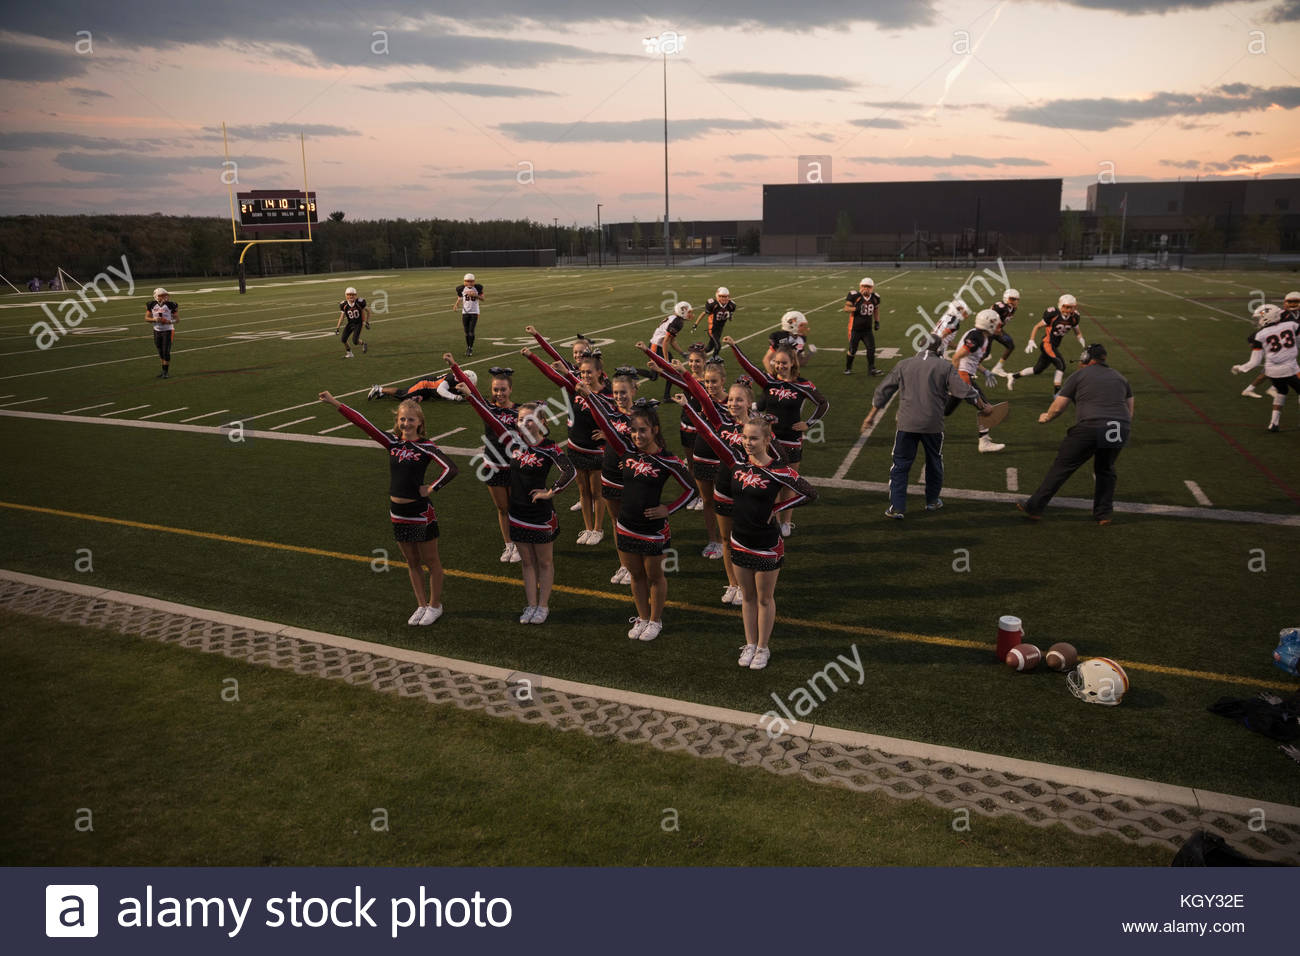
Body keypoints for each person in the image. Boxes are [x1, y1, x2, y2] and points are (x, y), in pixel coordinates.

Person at [677, 396, 817, 669]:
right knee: (748, 597)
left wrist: (780, 507)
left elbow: (810, 493)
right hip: (739, 541)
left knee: (764, 599)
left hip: (766, 544)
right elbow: (708, 433)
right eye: (745, 437)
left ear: (767, 440)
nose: (748, 442)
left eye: (754, 438)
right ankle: (750, 643)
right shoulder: (736, 464)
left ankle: (763, 647)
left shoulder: (779, 471)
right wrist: (688, 407)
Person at [447, 353, 576, 624]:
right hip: (517, 514)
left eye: (530, 420)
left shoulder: (550, 448)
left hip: (540, 515)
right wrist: (467, 391)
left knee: (545, 563)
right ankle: (530, 605)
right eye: (521, 420)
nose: (524, 424)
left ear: (541, 422)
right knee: (527, 563)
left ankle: (543, 606)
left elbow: (570, 470)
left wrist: (551, 492)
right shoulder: (514, 444)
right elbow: (487, 414)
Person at [316, 390, 459, 625]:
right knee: (411, 562)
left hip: (421, 512)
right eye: (402, 419)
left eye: (411, 419)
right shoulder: (392, 442)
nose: (406, 423)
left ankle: (435, 605)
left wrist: (432, 488)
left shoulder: (426, 446)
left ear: (420, 422)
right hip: (398, 513)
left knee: (431, 561)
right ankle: (421, 604)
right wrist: (335, 403)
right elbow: (364, 423)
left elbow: (451, 469)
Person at [578, 381, 696, 642]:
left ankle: (655, 620)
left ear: (654, 430)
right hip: (626, 526)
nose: (637, 435)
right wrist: (589, 397)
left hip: (653, 531)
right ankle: (642, 617)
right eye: (633, 431)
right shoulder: (625, 450)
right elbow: (607, 423)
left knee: (655, 577)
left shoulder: (668, 460)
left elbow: (691, 489)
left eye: (643, 431)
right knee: (635, 576)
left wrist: (668, 509)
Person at [863, 335, 990, 518]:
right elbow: (963, 391)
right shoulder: (945, 366)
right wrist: (983, 406)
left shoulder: (904, 364)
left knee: (900, 466)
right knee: (934, 462)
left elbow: (883, 391)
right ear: (939, 350)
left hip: (907, 423)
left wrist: (870, 417)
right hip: (933, 424)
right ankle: (932, 501)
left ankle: (897, 507)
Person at [1017, 344, 1133, 524]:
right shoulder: (1121, 378)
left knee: (1062, 466)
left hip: (1091, 426)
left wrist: (1046, 417)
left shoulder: (1079, 375)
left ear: (1087, 358)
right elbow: (1129, 411)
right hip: (1119, 427)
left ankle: (1035, 507)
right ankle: (1104, 514)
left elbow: (1059, 406)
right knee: (1105, 469)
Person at [727, 335, 829, 537]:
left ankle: (786, 522)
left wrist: (808, 423)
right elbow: (749, 367)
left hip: (791, 440)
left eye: (784, 363)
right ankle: (770, 516)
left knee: (788, 483)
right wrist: (734, 346)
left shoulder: (803, 385)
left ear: (793, 363)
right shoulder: (768, 381)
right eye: (777, 362)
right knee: (769, 482)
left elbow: (823, 404)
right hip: (768, 442)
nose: (780, 366)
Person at [525, 326, 613, 544]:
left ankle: (599, 529)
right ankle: (588, 528)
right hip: (576, 446)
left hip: (595, 450)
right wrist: (532, 356)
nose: (584, 376)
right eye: (582, 373)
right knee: (583, 493)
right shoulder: (576, 388)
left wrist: (606, 432)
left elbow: (618, 416)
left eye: (589, 373)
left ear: (599, 373)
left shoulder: (607, 392)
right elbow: (550, 372)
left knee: (597, 493)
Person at [474, 366, 522, 564]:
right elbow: (472, 393)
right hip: (492, 465)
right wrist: (453, 366)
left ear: (510, 389)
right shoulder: (488, 408)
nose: (499, 393)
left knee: (516, 507)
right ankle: (509, 544)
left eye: (503, 389)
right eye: (496, 390)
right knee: (502, 508)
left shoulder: (519, 410)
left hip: (512, 466)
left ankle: (520, 544)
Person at [946, 309, 1007, 453]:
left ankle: (913, 411)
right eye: (996, 323)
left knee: (945, 410)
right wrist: (954, 380)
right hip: (962, 376)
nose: (999, 326)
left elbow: (970, 359)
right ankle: (984, 442)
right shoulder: (977, 337)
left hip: (964, 375)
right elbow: (956, 357)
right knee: (986, 408)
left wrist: (984, 371)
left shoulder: (979, 335)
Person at [1231, 304, 1300, 433]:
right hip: (1291, 368)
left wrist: (1240, 368)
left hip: (1272, 372)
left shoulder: (1260, 335)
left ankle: (1273, 423)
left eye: (1259, 318)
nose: (1257, 321)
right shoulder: (1292, 325)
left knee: (1281, 392)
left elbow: (1255, 362)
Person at [1006, 293, 1087, 395]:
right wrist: (1031, 340)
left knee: (1037, 369)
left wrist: (1081, 339)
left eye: (1071, 307)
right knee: (1060, 365)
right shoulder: (1053, 314)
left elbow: (1077, 331)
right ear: (1060, 305)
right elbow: (1037, 326)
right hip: (1047, 344)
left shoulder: (1074, 317)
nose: (1068, 310)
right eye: (1066, 307)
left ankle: (1013, 376)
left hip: (1054, 345)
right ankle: (1057, 393)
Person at [843, 277, 884, 375]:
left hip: (867, 329)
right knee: (853, 349)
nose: (866, 288)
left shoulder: (875, 297)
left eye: (868, 287)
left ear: (872, 288)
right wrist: (855, 309)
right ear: (860, 286)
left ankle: (871, 369)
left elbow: (876, 309)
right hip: (855, 328)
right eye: (864, 286)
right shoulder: (854, 296)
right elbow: (846, 308)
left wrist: (877, 321)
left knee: (871, 348)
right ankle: (848, 368)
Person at [650, 301, 691, 397]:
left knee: (672, 371)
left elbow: (672, 341)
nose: (690, 314)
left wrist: (682, 353)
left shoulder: (675, 319)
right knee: (654, 376)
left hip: (657, 345)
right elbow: (665, 342)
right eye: (688, 312)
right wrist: (666, 360)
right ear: (682, 312)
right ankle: (630, 371)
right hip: (656, 347)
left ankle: (666, 396)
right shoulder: (677, 322)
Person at [367, 370, 475, 402]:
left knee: (415, 400)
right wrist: (455, 397)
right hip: (425, 384)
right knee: (403, 394)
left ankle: (381, 394)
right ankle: (379, 388)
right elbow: (440, 390)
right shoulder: (453, 378)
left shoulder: (458, 378)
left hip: (429, 392)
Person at [145, 287, 178, 379]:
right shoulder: (151, 304)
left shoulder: (171, 305)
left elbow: (177, 319)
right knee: (160, 351)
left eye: (165, 295)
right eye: (162, 295)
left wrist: (169, 321)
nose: (165, 297)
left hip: (168, 330)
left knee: (166, 351)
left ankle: (165, 372)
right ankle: (163, 370)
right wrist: (154, 319)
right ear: (156, 296)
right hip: (157, 330)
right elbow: (146, 318)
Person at [695, 286, 736, 356]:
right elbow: (704, 313)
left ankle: (695, 351)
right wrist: (696, 324)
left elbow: (730, 313)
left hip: (719, 329)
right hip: (712, 328)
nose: (724, 298)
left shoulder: (731, 305)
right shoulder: (713, 304)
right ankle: (714, 360)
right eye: (722, 296)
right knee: (718, 346)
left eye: (726, 296)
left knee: (709, 348)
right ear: (717, 296)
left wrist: (730, 316)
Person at [988, 288, 1020, 377]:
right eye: (1013, 299)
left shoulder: (1012, 308)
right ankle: (969, 370)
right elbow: (989, 318)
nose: (1015, 301)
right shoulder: (999, 306)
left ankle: (997, 368)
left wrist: (998, 329)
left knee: (1010, 346)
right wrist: (996, 329)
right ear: (1006, 298)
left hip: (997, 330)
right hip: (988, 331)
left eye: (1016, 299)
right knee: (984, 353)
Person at [453, 272, 485, 356]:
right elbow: (460, 297)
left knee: (471, 331)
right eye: (467, 281)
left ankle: (470, 348)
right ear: (464, 281)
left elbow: (483, 299)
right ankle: (468, 346)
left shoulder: (477, 288)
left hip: (474, 312)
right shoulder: (461, 288)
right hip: (465, 312)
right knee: (466, 332)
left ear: (474, 281)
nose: (469, 283)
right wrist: (456, 304)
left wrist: (475, 295)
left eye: (471, 281)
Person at [335, 286, 369, 358]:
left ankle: (363, 343)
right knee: (343, 339)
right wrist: (337, 327)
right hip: (350, 323)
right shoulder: (343, 304)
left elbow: (367, 311)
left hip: (358, 323)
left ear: (356, 295)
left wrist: (366, 322)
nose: (351, 296)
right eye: (349, 294)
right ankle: (349, 353)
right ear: (346, 295)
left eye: (352, 295)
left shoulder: (360, 302)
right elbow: (342, 317)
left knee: (355, 341)